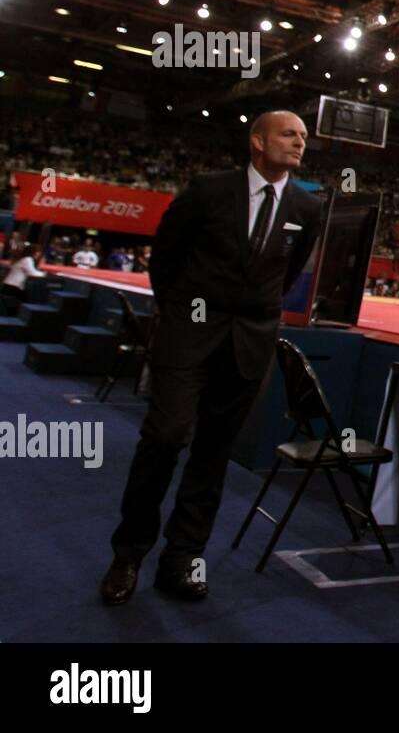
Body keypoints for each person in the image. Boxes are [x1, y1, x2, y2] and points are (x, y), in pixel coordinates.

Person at [100, 110, 323, 606]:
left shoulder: (307, 209)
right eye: (289, 134)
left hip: (249, 343)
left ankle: (182, 560)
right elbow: (165, 257)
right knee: (165, 436)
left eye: (304, 137)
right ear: (258, 140)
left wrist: (254, 317)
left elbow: (282, 278)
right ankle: (128, 555)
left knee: (212, 455)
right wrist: (181, 313)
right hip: (188, 334)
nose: (300, 143)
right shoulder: (208, 189)